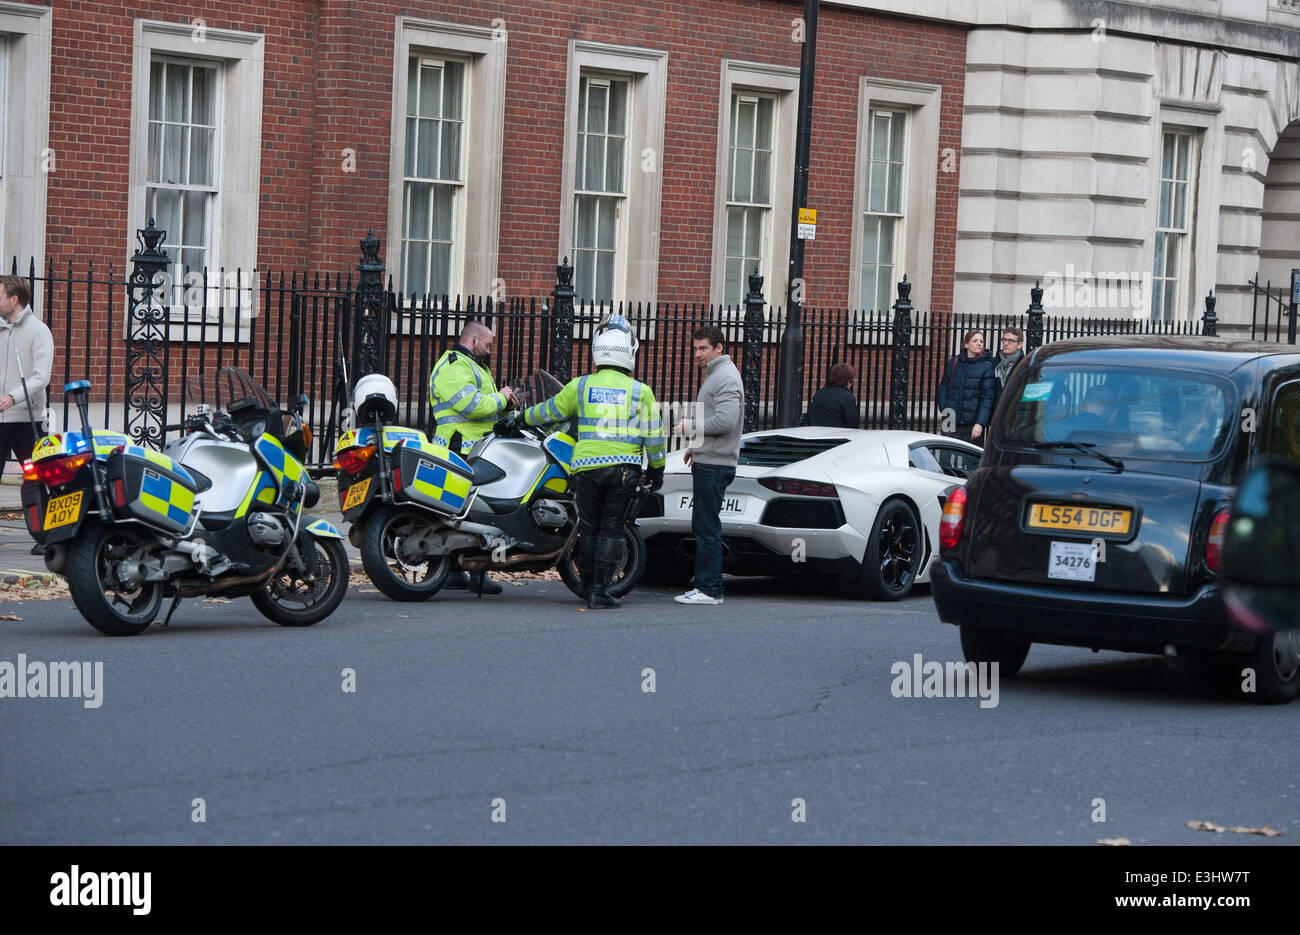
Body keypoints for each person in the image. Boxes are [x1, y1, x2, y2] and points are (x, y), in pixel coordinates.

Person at [521, 314, 665, 609]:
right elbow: (654, 436)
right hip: (623, 470)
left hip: (586, 468)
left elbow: (550, 411)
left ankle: (587, 589)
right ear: (630, 350)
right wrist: (657, 469)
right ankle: (600, 591)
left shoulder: (581, 385)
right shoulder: (641, 391)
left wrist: (518, 417)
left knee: (588, 528)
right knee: (612, 528)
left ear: (598, 349)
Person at [428, 321, 518, 593]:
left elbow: (484, 407)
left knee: (474, 513)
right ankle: (461, 572)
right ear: (474, 340)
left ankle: (468, 573)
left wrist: (507, 405)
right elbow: (472, 405)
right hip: (460, 449)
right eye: (488, 344)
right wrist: (501, 399)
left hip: (477, 448)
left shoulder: (473, 366)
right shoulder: (454, 365)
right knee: (462, 513)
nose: (490, 351)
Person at [672, 325, 743, 606]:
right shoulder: (717, 375)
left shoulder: (725, 377)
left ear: (719, 348)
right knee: (704, 525)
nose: (697, 354)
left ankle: (710, 589)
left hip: (716, 464)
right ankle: (706, 586)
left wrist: (690, 427)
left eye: (703, 348)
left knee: (706, 526)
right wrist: (695, 447)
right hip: (709, 459)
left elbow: (725, 421)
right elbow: (718, 420)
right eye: (695, 348)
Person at [0, 276, 53, 556]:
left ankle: (46, 536)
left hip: (26, 419)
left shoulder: (39, 331)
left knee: (37, 479)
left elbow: (41, 377)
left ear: (14, 299)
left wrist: (12, 397)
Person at [936, 329, 995, 446]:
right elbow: (943, 386)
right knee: (945, 455)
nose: (979, 343)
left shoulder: (987, 366)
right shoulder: (954, 362)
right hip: (950, 417)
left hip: (972, 422)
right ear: (966, 344)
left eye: (981, 341)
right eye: (975, 341)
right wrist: (944, 408)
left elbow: (987, 398)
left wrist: (980, 423)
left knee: (970, 459)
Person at [804, 363, 860, 428]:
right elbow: (852, 424)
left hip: (815, 434)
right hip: (836, 435)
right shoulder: (848, 397)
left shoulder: (819, 393)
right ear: (848, 381)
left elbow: (811, 416)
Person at [992, 327, 1024, 414]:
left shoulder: (1025, 365)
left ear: (1019, 344)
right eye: (1004, 339)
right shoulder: (994, 363)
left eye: (1010, 341)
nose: (1006, 343)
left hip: (1016, 416)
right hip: (996, 416)